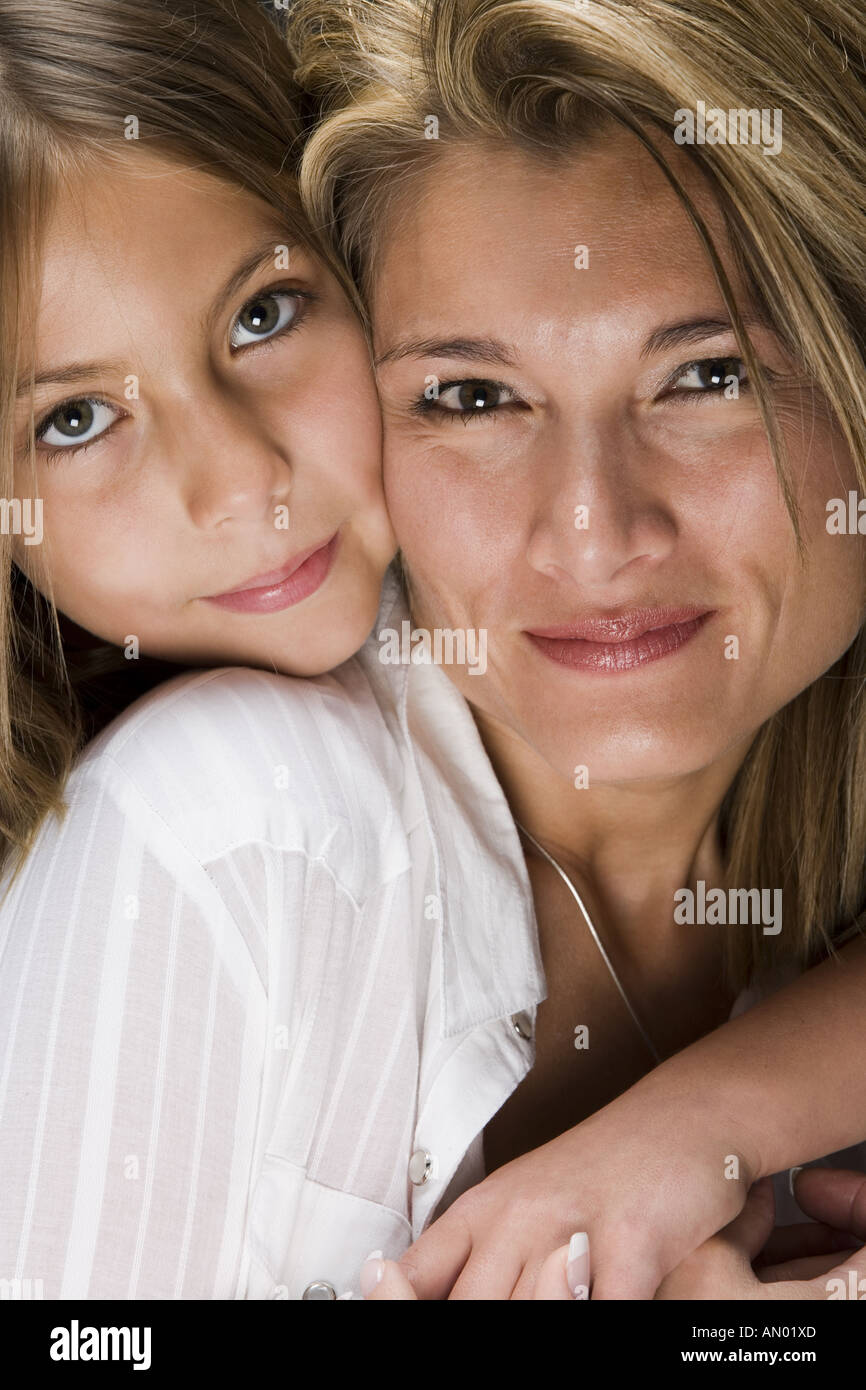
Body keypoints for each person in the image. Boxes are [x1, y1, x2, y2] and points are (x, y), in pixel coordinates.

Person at [0, 0, 864, 1302]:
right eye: (472, 397)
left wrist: (706, 1123)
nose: (595, 536)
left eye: (708, 374)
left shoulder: (808, 879)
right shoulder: (230, 826)